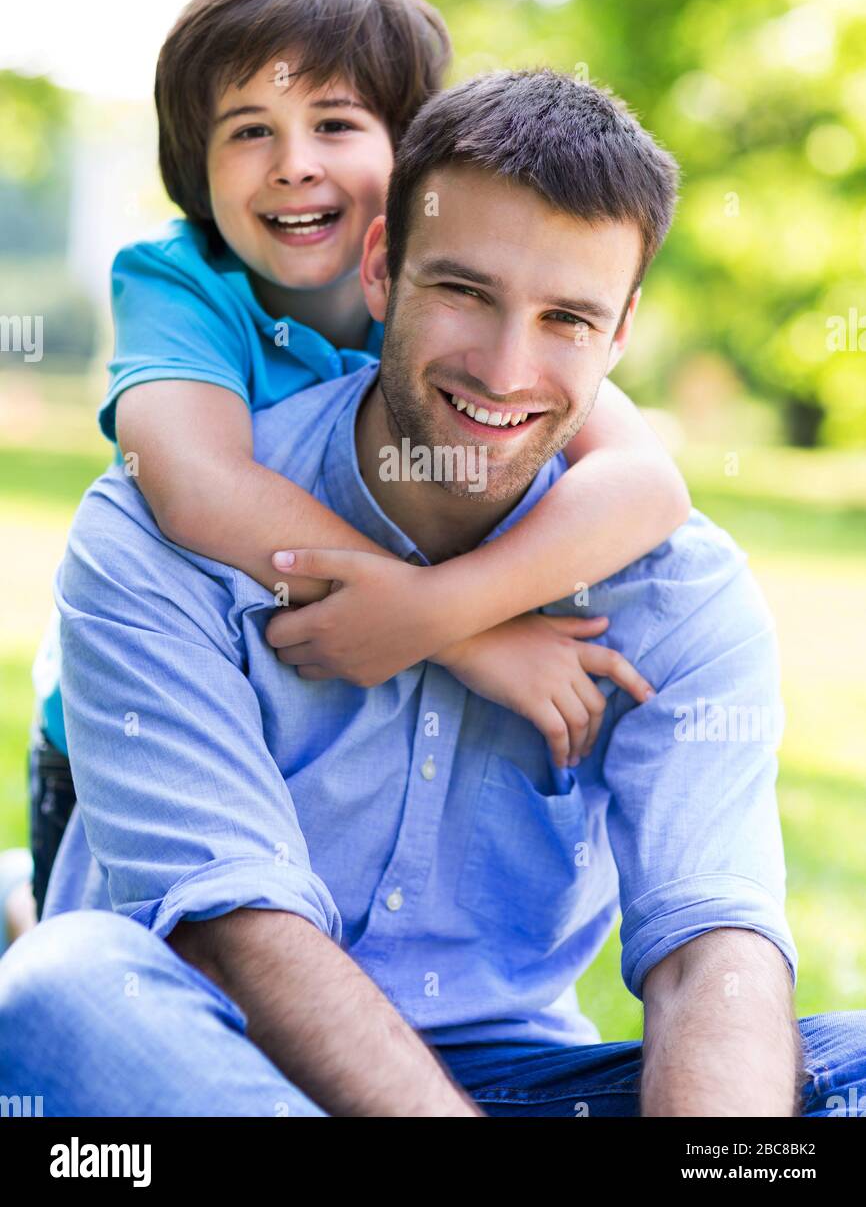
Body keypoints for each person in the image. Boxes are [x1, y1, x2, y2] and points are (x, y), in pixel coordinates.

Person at [2, 68, 862, 1117]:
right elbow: (236, 935)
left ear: (621, 332)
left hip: (518, 1081)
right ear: (380, 269)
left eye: (566, 318)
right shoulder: (163, 534)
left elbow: (712, 949)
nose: (504, 370)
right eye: (464, 292)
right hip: (220, 1072)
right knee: (60, 986)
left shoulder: (676, 587)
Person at [1, 0, 689, 950]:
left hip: (324, 698)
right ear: (194, 165)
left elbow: (646, 487)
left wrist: (440, 605)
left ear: (415, 157)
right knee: (95, 940)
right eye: (249, 130)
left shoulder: (452, 299)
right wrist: (462, 635)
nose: (294, 162)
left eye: (334, 123)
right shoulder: (180, 282)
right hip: (142, 709)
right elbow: (192, 482)